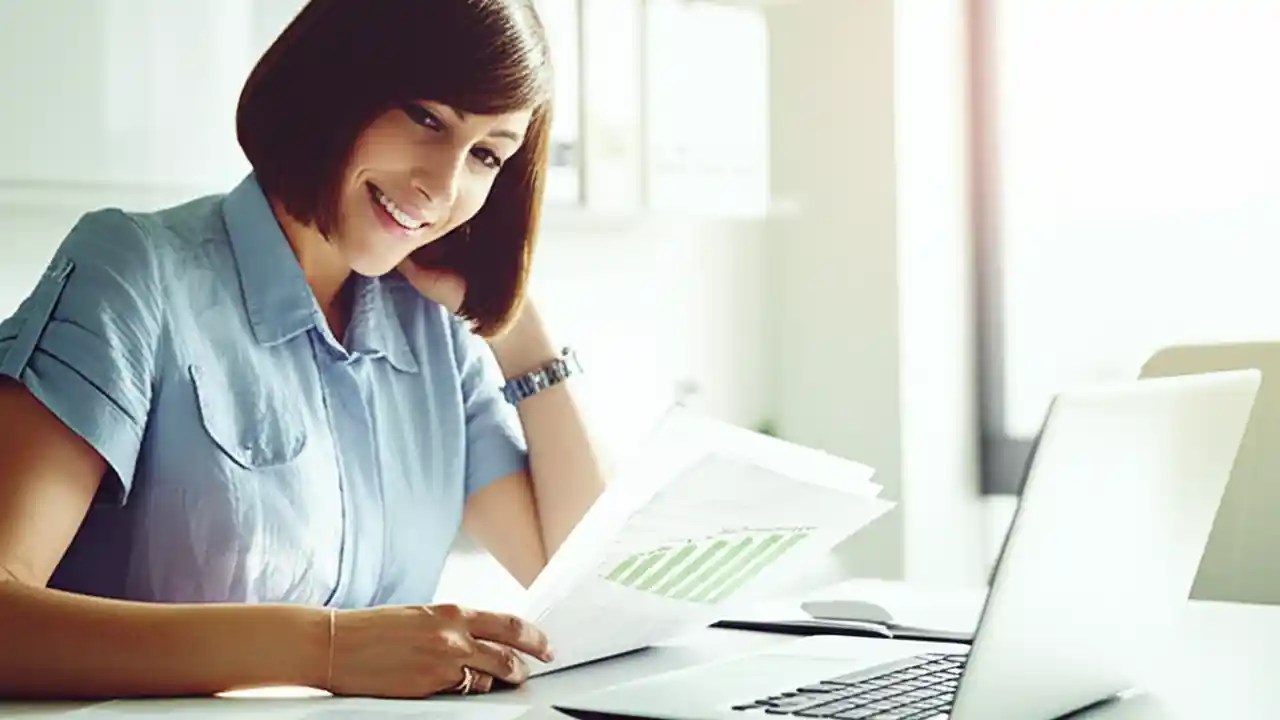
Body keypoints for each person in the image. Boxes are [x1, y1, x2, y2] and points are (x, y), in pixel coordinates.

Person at [0, 0, 606, 700]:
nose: (442, 187)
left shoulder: (431, 331)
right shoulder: (136, 271)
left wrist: (514, 322)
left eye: (486, 155)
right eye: (426, 117)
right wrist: (324, 649)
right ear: (337, 81)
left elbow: (584, 586)